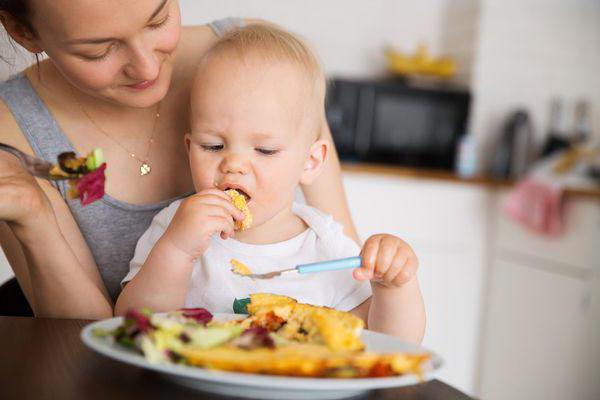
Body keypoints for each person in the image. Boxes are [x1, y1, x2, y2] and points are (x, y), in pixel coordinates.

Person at [0, 1, 358, 319]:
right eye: (98, 51)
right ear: (22, 31)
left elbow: (352, 276)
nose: (146, 67)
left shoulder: (261, 59)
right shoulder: (11, 128)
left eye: (157, 20)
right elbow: (94, 342)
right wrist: (34, 217)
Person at [115, 24, 425, 342]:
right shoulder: (176, 227)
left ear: (310, 162)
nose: (233, 164)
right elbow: (130, 324)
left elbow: (389, 341)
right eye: (213, 146)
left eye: (264, 150)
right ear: (189, 149)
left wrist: (394, 287)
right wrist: (177, 250)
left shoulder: (325, 244)